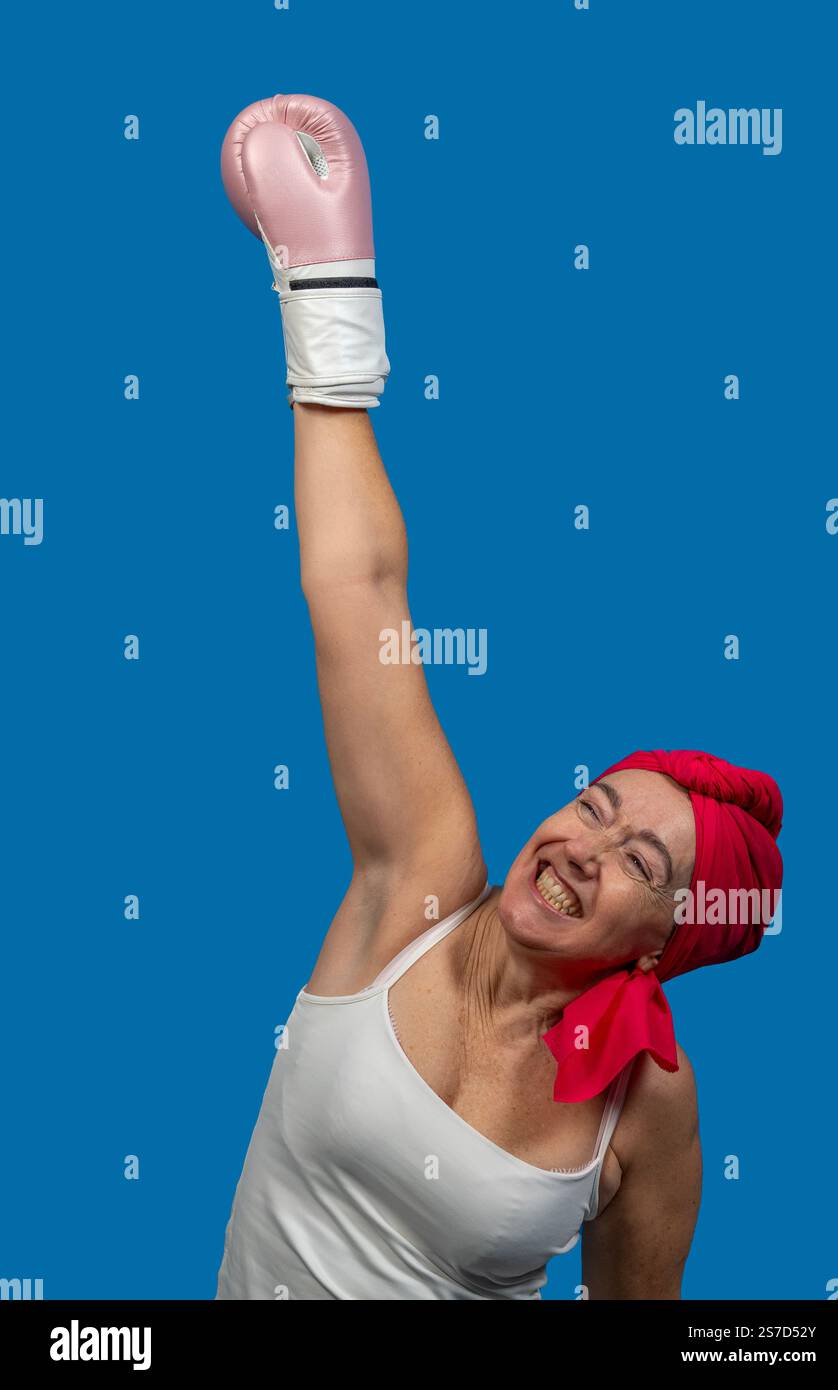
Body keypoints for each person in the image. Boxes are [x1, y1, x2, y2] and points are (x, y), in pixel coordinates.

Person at [214, 94, 784, 1301]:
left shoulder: (649, 1104)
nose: (583, 846)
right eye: (593, 804)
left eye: (640, 860)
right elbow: (356, 586)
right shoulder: (415, 878)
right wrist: (327, 291)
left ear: (664, 940)